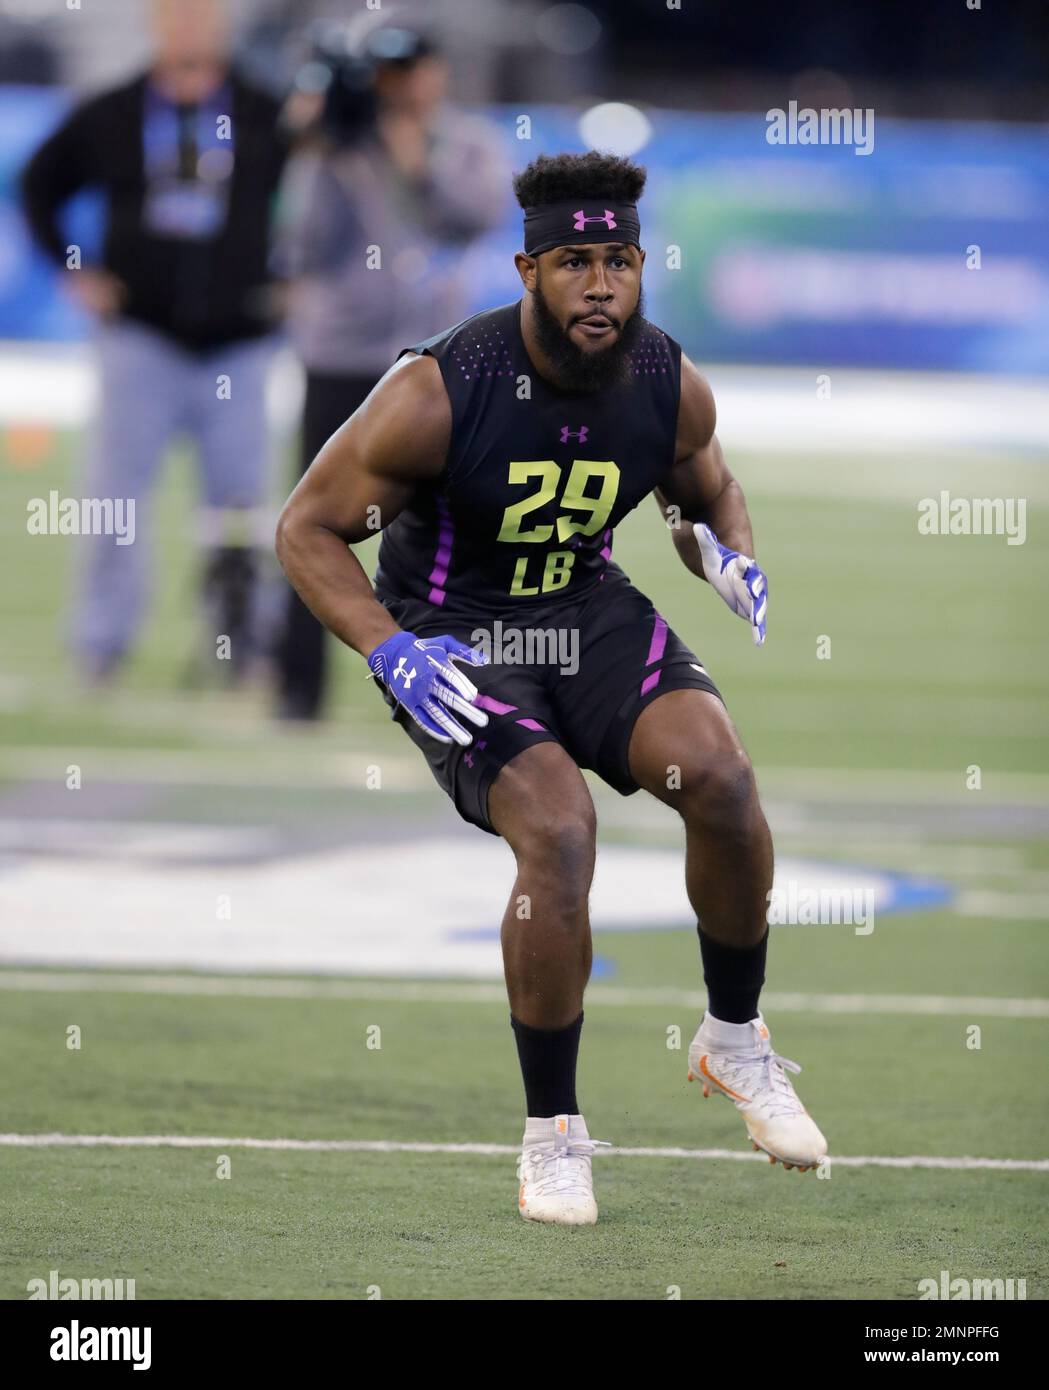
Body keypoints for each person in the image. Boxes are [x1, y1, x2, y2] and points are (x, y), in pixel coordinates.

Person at [275, 150, 827, 1225]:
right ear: (528, 270)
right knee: (560, 830)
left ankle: (732, 1043)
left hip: (583, 608)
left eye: (617, 260)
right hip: (457, 630)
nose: (601, 285)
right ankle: (554, 1134)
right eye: (575, 261)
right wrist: (388, 646)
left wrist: (723, 551)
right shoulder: (439, 387)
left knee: (718, 775)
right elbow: (304, 527)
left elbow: (704, 488)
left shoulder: (664, 378)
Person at [20, 0, 288, 684]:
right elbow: (37, 186)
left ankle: (242, 649)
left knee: (238, 506)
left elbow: (323, 193)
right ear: (155, 22)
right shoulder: (114, 109)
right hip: (141, 336)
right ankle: (100, 646)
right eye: (177, 13)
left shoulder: (266, 110)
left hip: (239, 341)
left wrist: (299, 277)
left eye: (202, 13)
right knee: (114, 498)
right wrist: (76, 270)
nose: (190, 26)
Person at [272, 21, 509, 719]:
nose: (397, 86)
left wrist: (415, 163)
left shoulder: (465, 141)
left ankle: (471, 686)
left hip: (434, 362)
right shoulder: (339, 143)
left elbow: (482, 213)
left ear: (435, 72)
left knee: (458, 533)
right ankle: (297, 691)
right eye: (384, 72)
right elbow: (301, 245)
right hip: (342, 353)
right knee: (309, 521)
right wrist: (314, 150)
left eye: (408, 70)